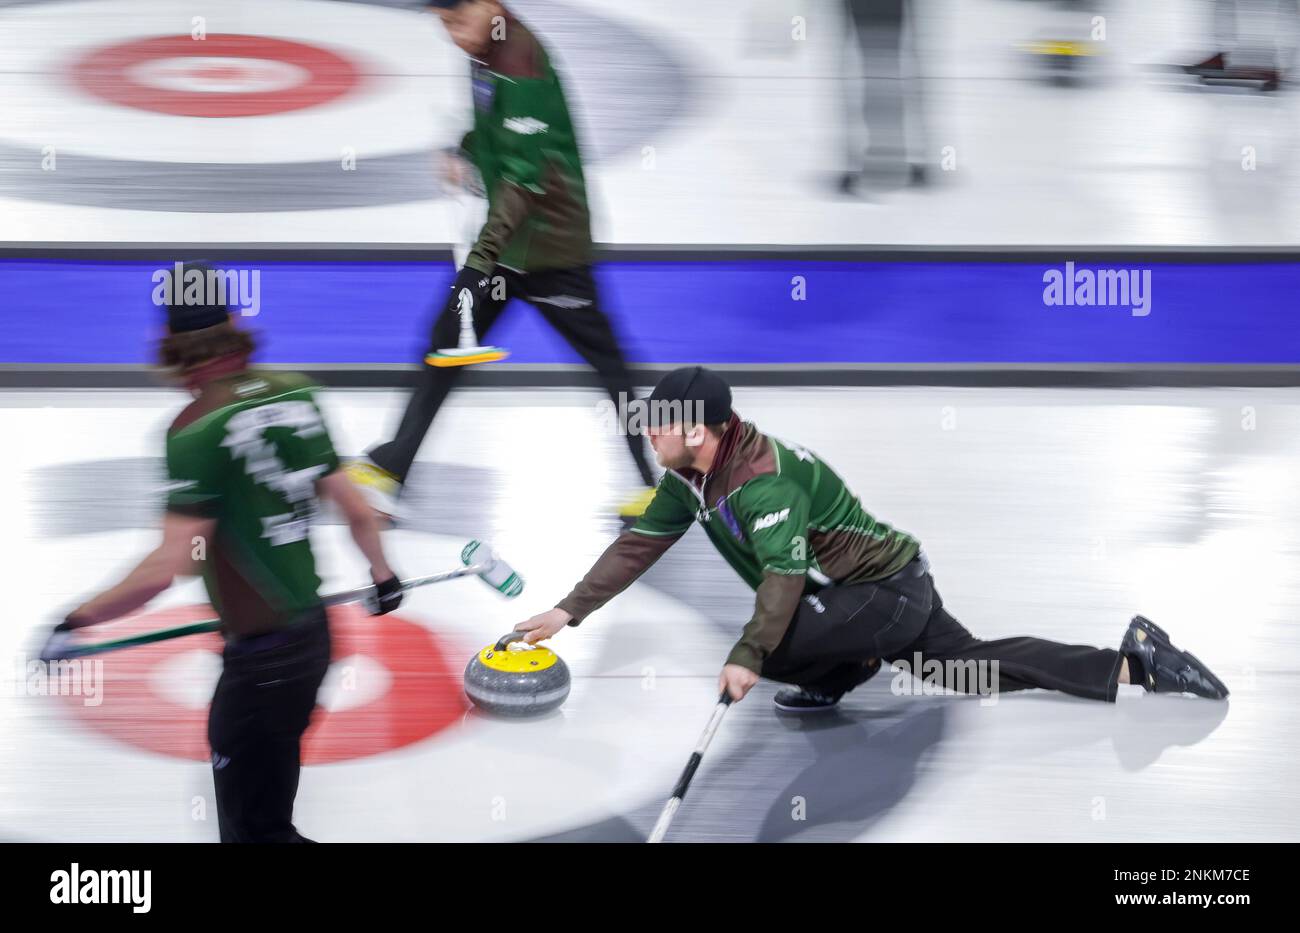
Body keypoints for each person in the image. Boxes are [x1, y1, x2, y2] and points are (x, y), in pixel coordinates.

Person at [513, 366, 1229, 709]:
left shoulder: (761, 484)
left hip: (880, 592)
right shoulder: (691, 476)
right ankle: (1135, 663)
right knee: (966, 668)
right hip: (890, 585)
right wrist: (568, 610)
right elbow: (637, 545)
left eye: (659, 424)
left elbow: (783, 580)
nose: (648, 432)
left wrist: (746, 656)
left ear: (698, 431)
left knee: (772, 642)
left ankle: (844, 667)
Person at [41, 263, 404, 841]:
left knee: (250, 828)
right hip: (314, 641)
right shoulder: (298, 390)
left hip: (262, 662)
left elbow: (168, 568)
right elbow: (356, 509)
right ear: (235, 322)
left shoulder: (194, 431)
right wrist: (384, 577)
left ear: (170, 343)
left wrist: (75, 620)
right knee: (270, 803)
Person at [348, 0, 657, 525]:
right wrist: (466, 149)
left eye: (457, 20)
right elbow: (499, 132)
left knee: (608, 365)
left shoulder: (519, 65)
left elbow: (523, 185)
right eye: (443, 25)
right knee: (446, 344)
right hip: (508, 250)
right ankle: (395, 464)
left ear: (489, 4)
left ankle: (653, 487)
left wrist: (478, 263)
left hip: (551, 252)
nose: (452, 35)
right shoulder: (486, 50)